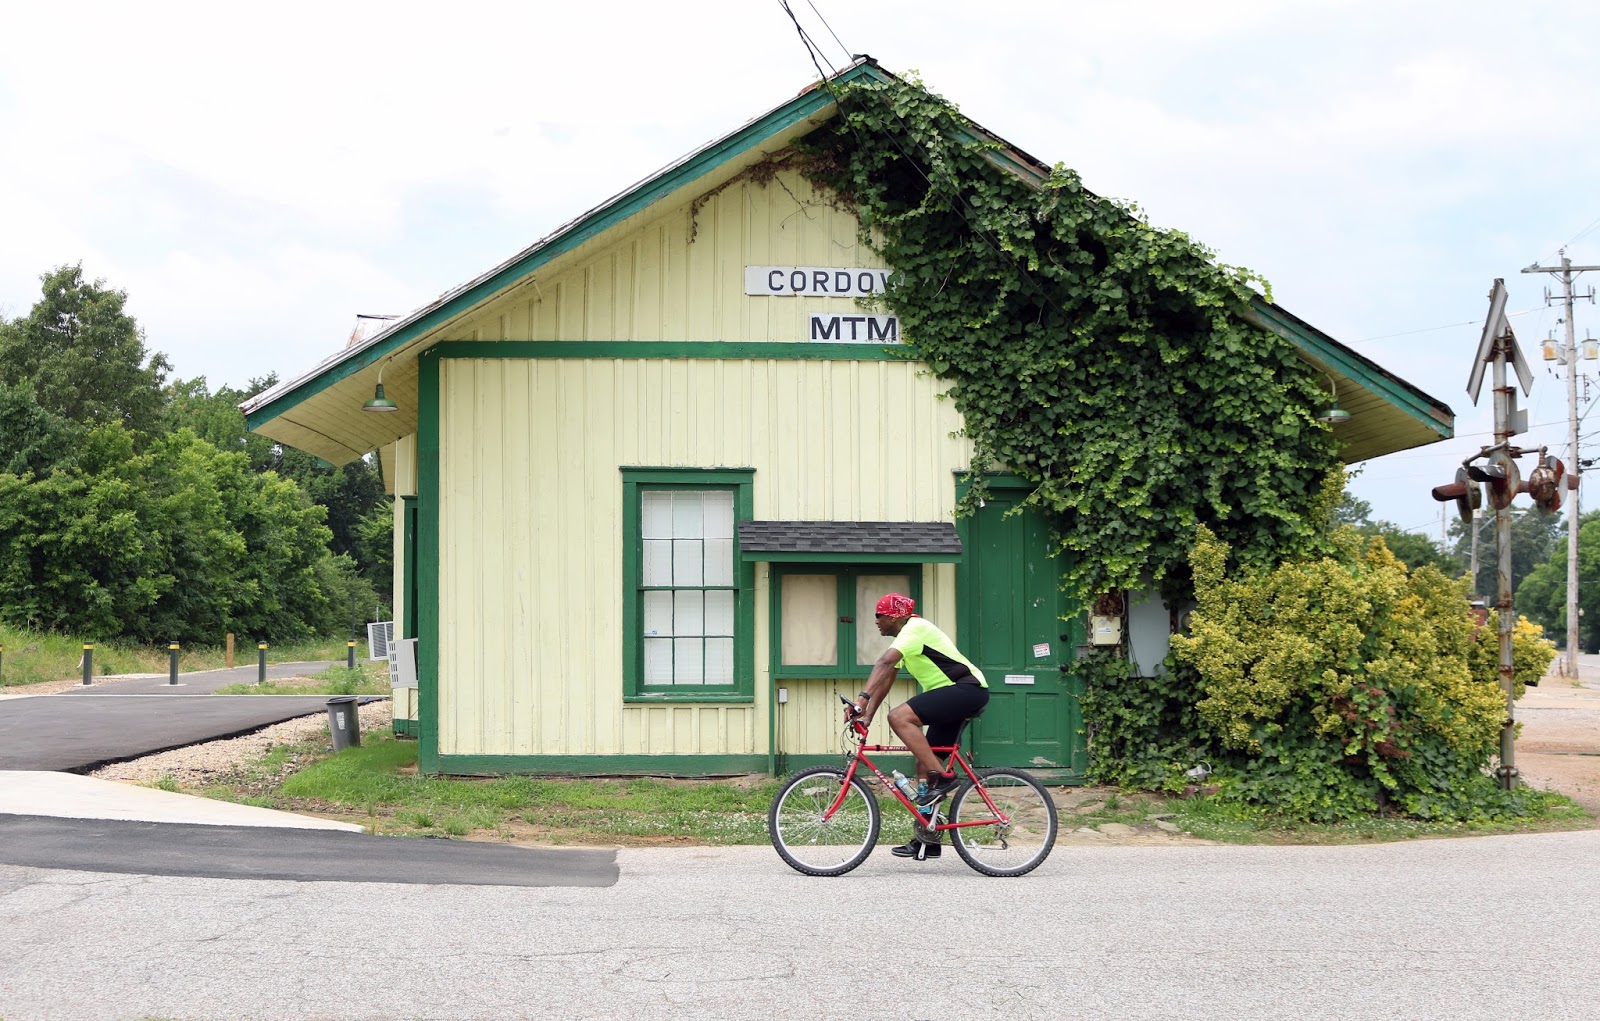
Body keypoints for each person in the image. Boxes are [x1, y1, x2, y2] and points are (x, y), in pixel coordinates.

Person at [850, 592, 989, 860]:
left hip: (965, 690)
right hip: (953, 695)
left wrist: (860, 699)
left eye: (880, 615)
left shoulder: (916, 628)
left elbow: (884, 662)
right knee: (924, 766)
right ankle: (928, 838)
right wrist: (866, 714)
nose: (876, 621)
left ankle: (946, 778)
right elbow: (888, 676)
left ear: (896, 616)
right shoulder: (906, 637)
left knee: (899, 717)